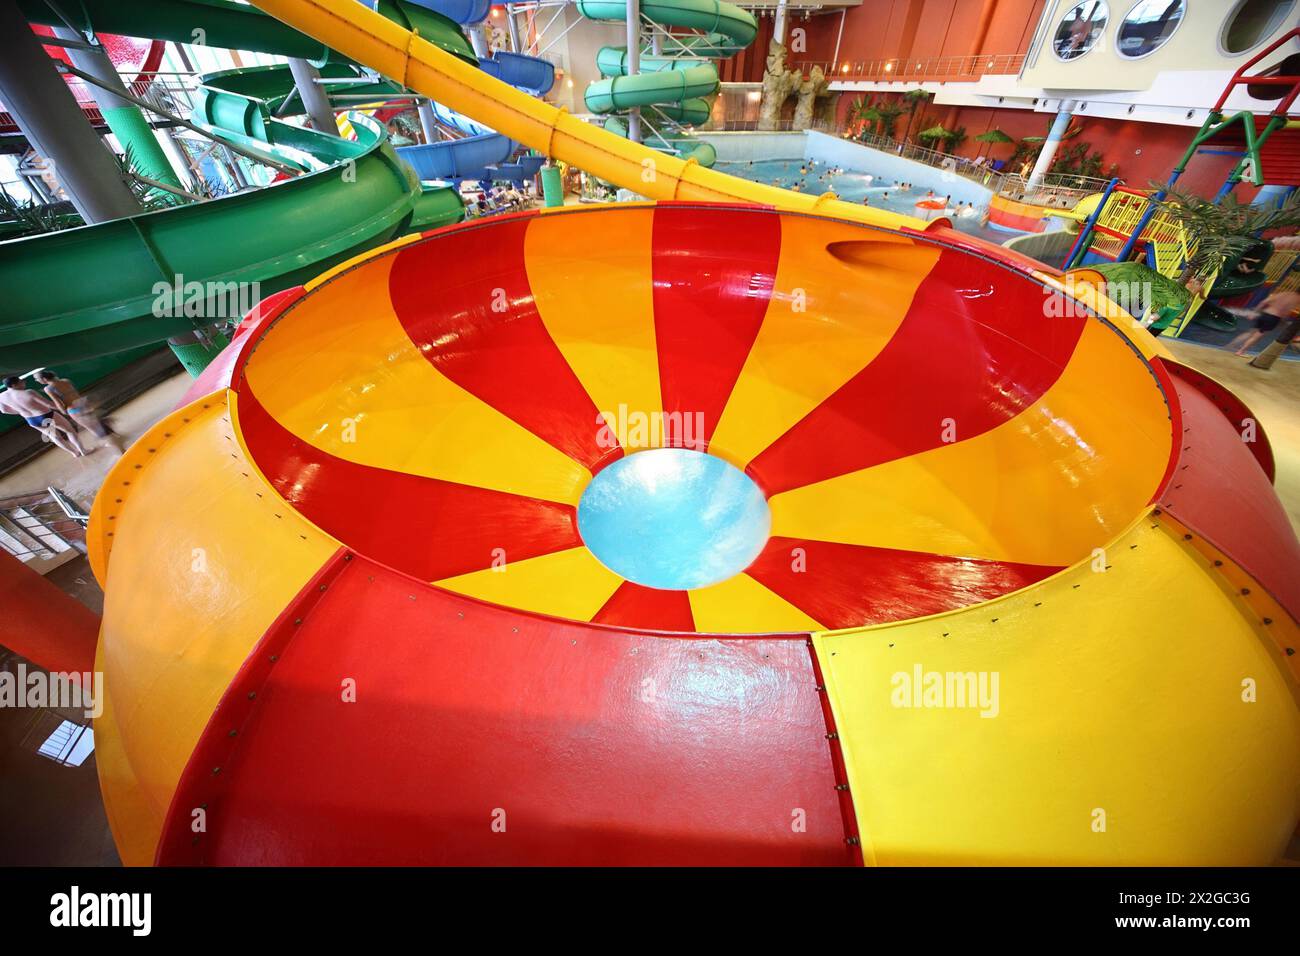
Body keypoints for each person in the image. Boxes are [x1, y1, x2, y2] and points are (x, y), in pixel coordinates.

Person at [0, 376, 88, 457]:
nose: (24, 383)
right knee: (70, 431)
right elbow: (49, 404)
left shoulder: (1, 396)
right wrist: (65, 407)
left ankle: (74, 453)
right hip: (46, 415)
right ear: (14, 385)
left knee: (55, 437)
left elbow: (4, 411)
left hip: (31, 420)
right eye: (21, 382)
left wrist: (21, 411)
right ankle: (83, 450)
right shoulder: (29, 392)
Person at [36, 370, 122, 450]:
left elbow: (58, 402)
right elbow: (75, 393)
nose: (37, 380)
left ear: (44, 379)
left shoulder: (48, 389)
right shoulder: (66, 380)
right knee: (98, 421)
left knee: (92, 427)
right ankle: (114, 435)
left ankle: (111, 443)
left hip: (74, 409)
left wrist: (63, 411)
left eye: (37, 379)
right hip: (83, 403)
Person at [1229, 284, 1300, 356]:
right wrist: (1283, 320)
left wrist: (1254, 312)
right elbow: (1285, 311)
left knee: (1251, 332)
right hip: (1273, 318)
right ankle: (1241, 351)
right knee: (1257, 336)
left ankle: (1231, 346)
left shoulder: (1285, 293)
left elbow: (1264, 302)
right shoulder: (1297, 299)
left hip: (1265, 313)